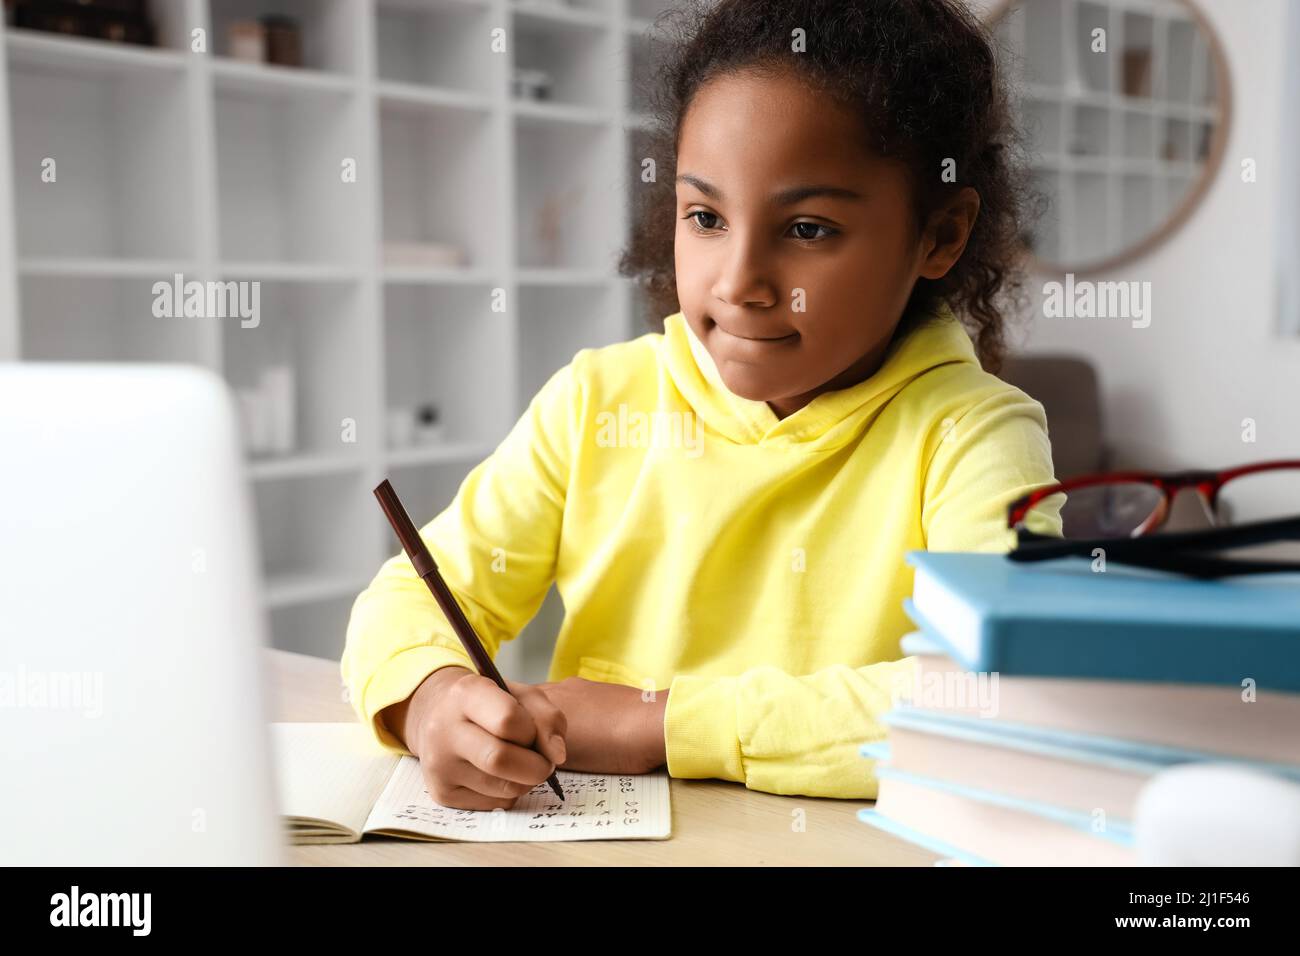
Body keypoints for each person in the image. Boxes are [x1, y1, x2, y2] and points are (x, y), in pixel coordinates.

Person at [341, 0, 1063, 807]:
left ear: (939, 235)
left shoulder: (974, 435)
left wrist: (662, 724)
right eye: (707, 217)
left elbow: (998, 690)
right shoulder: (597, 403)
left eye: (811, 229)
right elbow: (409, 599)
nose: (738, 281)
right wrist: (432, 699)